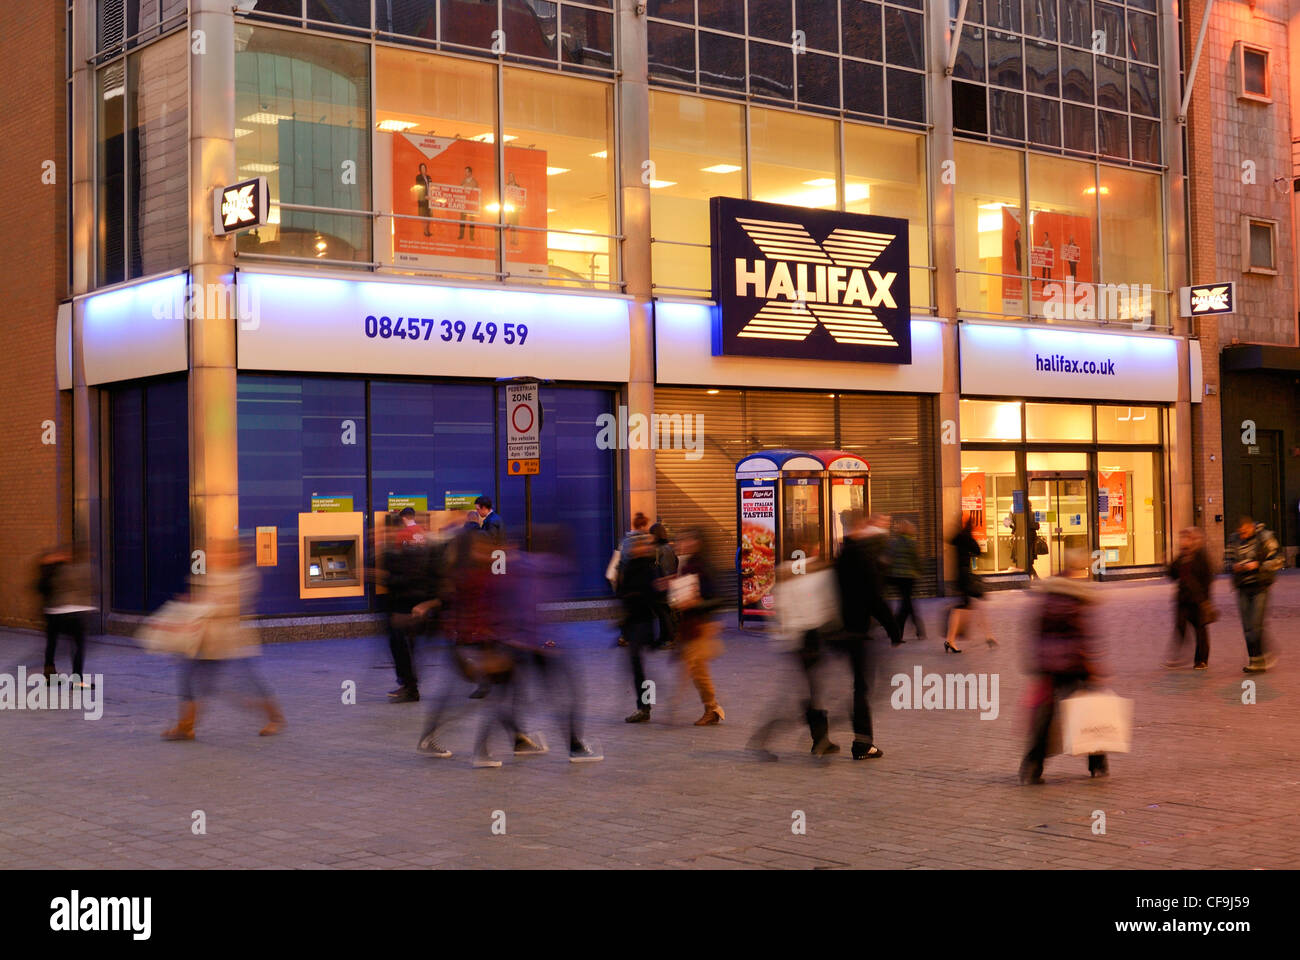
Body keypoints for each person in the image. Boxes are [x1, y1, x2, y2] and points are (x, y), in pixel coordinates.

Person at [163, 541, 284, 741]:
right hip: (205, 641)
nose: (226, 557)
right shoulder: (217, 574)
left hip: (231, 642)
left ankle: (276, 718)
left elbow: (230, 606)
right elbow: (205, 598)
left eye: (232, 554)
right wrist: (192, 602)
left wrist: (207, 605)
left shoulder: (246, 576)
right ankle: (185, 727)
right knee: (188, 680)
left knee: (248, 683)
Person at [1019, 547, 1108, 784]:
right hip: (1073, 664)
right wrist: (1093, 668)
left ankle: (1032, 766)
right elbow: (1081, 636)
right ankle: (1097, 762)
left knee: (1046, 717)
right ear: (1081, 567)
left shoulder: (1050, 593)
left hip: (1048, 663)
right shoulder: (1075, 597)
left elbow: (1036, 628)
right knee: (1088, 712)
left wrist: (1037, 660)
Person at [832, 510, 885, 760]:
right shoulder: (862, 555)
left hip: (844, 629)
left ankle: (821, 734)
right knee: (861, 688)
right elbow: (875, 598)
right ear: (861, 526)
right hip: (860, 632)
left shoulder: (841, 554)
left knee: (859, 687)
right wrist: (894, 630)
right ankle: (862, 743)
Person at [667, 528, 725, 726]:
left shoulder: (702, 566)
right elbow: (681, 595)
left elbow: (716, 598)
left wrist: (695, 604)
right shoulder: (688, 564)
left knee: (697, 669)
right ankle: (704, 708)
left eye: (687, 540)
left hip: (700, 625)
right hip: (690, 625)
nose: (682, 544)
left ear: (697, 542)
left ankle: (711, 708)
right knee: (693, 668)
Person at [1224, 515, 1283, 673]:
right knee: (1247, 626)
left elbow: (1278, 560)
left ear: (1251, 527)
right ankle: (1255, 660)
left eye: (1245, 532)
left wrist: (1258, 565)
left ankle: (1261, 657)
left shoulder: (1265, 537)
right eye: (1240, 533)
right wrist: (1233, 566)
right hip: (1242, 586)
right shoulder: (1233, 539)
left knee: (1256, 624)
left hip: (1260, 586)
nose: (1242, 535)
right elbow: (1227, 561)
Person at [619, 533, 662, 724]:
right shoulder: (629, 567)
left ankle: (645, 706)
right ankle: (646, 704)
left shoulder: (648, 568)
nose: (634, 549)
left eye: (637, 546)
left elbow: (651, 595)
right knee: (638, 666)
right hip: (633, 622)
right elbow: (622, 592)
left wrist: (633, 595)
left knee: (638, 665)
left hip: (642, 622)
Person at [38, 544, 95, 686]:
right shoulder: (65, 569)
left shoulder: (52, 569)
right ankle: (77, 681)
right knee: (76, 646)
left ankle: (50, 675)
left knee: (53, 644)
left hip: (52, 611)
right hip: (66, 611)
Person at [1165, 526, 1213, 670]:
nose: (1183, 542)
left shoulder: (1201, 557)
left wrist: (1205, 600)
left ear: (1192, 540)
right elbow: (1173, 576)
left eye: (1186, 539)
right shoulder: (1182, 556)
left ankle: (1201, 660)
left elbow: (1207, 579)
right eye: (1182, 539)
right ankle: (1177, 655)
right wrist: (1167, 565)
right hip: (1183, 599)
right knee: (1180, 627)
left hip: (1198, 600)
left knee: (1200, 631)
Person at [946, 516, 996, 653]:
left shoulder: (958, 537)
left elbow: (951, 540)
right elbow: (978, 551)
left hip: (959, 576)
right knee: (967, 606)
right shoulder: (968, 538)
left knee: (967, 605)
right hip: (966, 576)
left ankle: (951, 639)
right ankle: (952, 639)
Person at [886, 518, 926, 642]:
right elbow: (917, 560)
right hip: (909, 577)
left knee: (906, 603)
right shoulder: (912, 543)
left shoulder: (894, 543)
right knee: (906, 604)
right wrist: (920, 571)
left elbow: (889, 558)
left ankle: (918, 630)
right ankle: (898, 632)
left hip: (897, 577)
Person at [649, 521, 678, 649]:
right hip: (660, 585)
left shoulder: (664, 549)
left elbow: (667, 569)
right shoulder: (662, 548)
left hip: (664, 585)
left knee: (665, 612)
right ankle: (664, 637)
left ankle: (670, 638)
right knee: (662, 612)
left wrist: (664, 583)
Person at [458, 165, 478, 239]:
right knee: (462, 220)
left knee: (471, 221)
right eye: (465, 172)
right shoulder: (463, 181)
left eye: (467, 172)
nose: (465, 173)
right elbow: (459, 192)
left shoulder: (475, 182)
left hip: (471, 205)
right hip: (464, 204)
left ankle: (471, 236)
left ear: (470, 172)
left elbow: (476, 194)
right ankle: (461, 235)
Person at [414, 163, 433, 237]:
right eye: (422, 168)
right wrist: (424, 196)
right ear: (420, 170)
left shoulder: (429, 177)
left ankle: (428, 231)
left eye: (424, 168)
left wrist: (432, 194)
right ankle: (425, 232)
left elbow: (432, 186)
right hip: (422, 199)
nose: (423, 169)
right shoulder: (418, 177)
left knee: (429, 216)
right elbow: (418, 187)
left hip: (429, 199)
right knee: (424, 216)